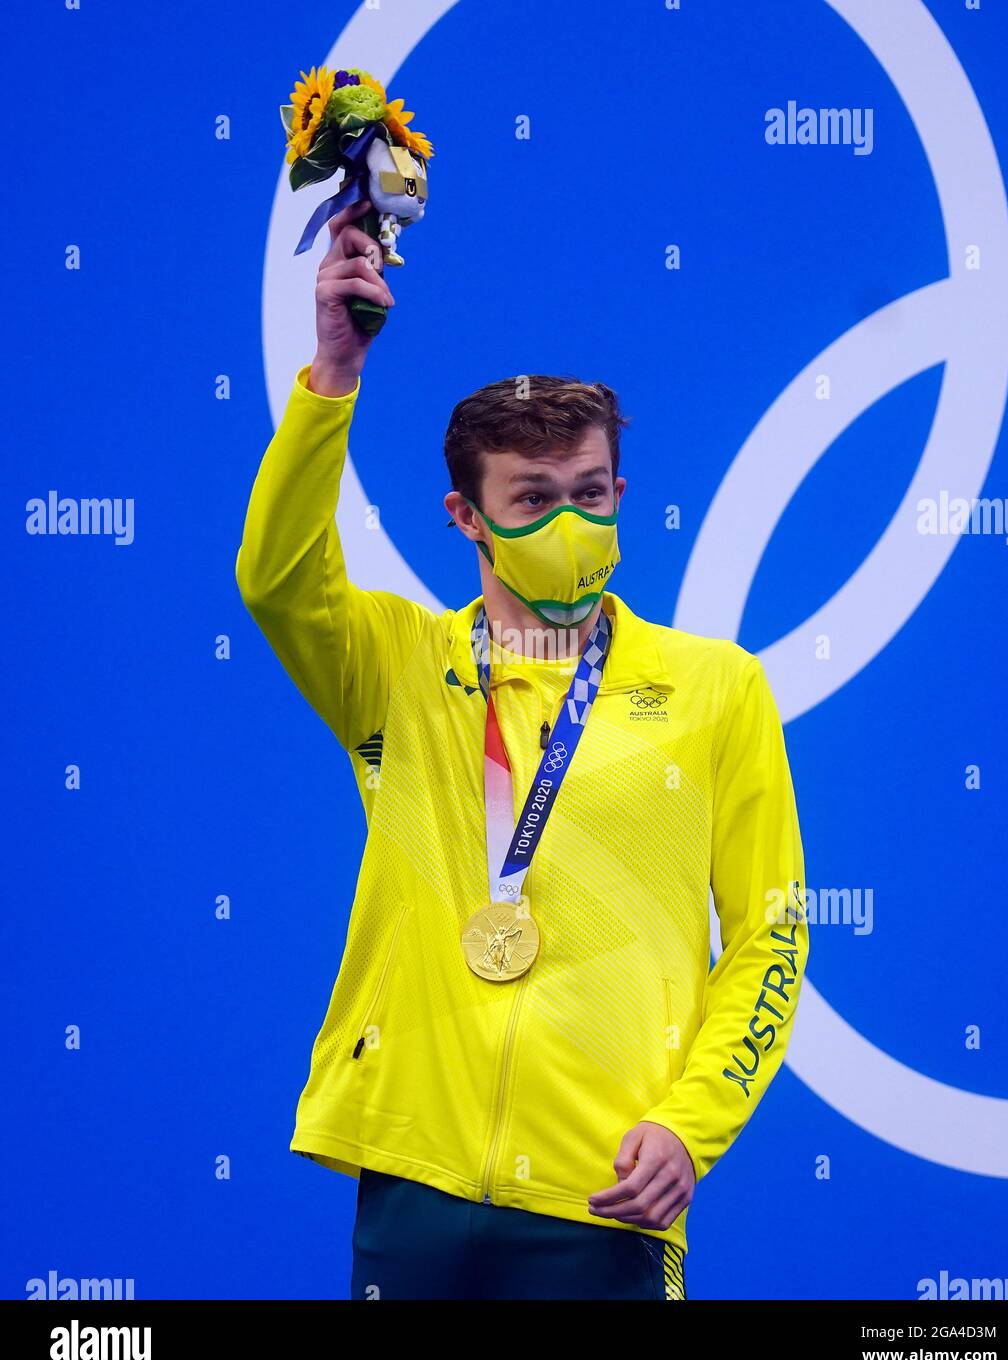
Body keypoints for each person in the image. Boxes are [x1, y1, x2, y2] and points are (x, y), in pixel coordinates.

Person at [235, 198, 809, 1301]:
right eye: (533, 500)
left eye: (590, 494)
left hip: (606, 1195)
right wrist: (333, 374)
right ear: (466, 517)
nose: (570, 524)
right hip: (416, 1177)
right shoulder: (395, 668)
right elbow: (272, 578)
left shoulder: (717, 689)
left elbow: (771, 941)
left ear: (623, 492)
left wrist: (691, 1128)